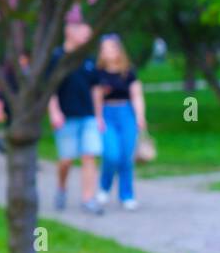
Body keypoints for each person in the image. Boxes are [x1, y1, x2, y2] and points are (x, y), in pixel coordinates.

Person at [47, 23, 102, 214]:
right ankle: (61, 188)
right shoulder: (56, 58)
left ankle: (88, 199)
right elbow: (50, 89)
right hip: (66, 117)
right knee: (67, 160)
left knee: (89, 156)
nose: (88, 35)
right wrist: (54, 111)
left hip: (88, 117)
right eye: (83, 31)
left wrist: (99, 115)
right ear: (69, 30)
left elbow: (95, 88)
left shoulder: (88, 59)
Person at [94, 34, 147, 211]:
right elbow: (96, 97)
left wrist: (140, 116)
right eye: (104, 48)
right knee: (111, 154)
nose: (108, 52)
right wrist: (98, 116)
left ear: (118, 50)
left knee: (126, 156)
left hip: (126, 113)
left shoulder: (128, 71)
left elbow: (136, 95)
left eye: (111, 47)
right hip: (107, 114)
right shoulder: (98, 73)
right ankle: (104, 186)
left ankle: (127, 195)